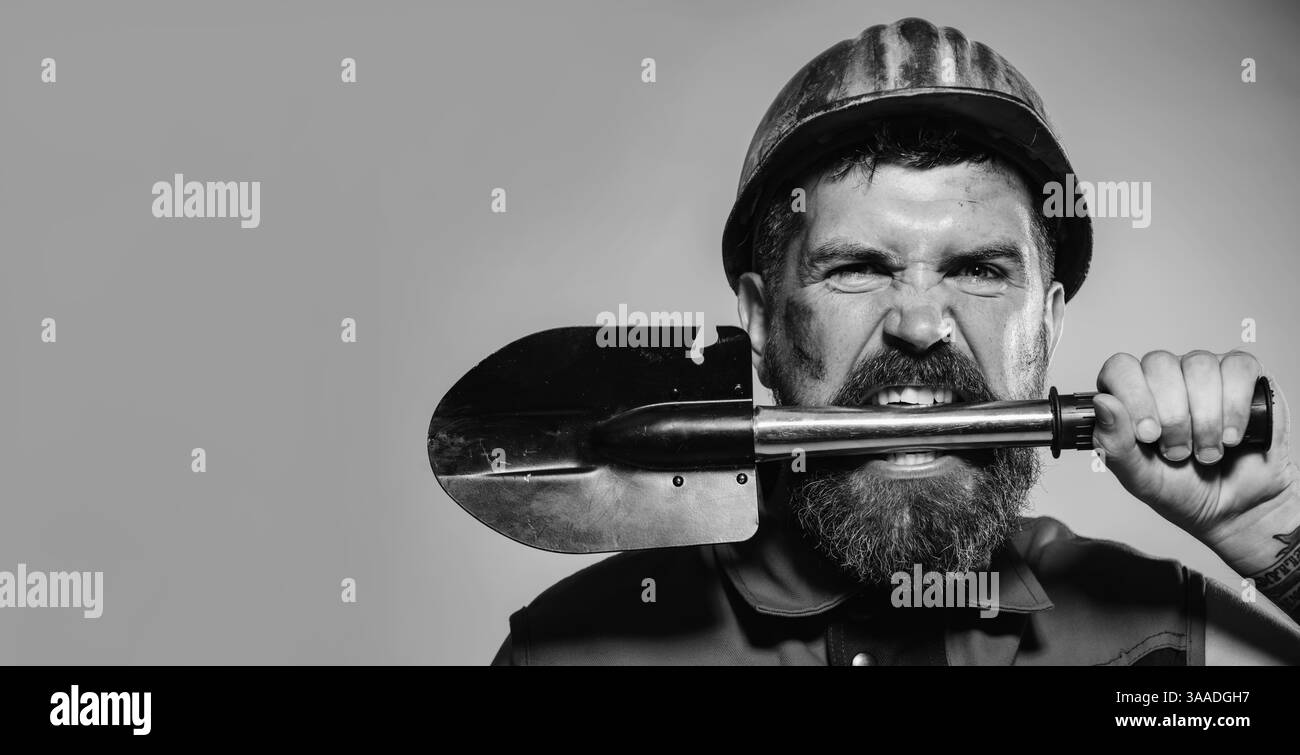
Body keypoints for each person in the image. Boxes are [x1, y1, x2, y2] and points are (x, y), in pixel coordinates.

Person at [490, 17, 1300, 665]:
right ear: (762, 320)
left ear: (1047, 323)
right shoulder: (573, 651)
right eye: (855, 269)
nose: (919, 323)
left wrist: (1274, 534)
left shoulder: (1160, 651)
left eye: (979, 268)